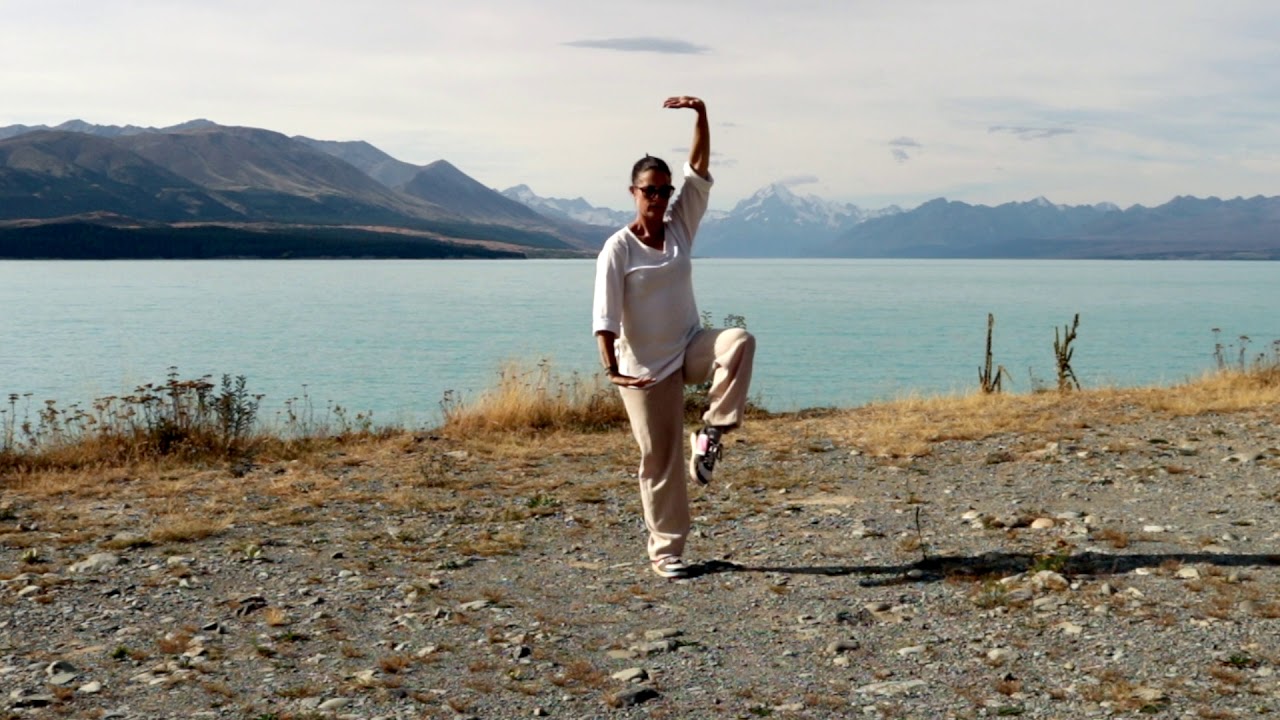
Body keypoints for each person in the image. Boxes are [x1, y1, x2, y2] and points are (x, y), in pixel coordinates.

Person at [591, 96, 756, 579]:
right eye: (650, 191)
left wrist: (703, 116)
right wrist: (612, 369)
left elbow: (699, 171)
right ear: (633, 192)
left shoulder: (679, 226)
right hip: (643, 370)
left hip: (688, 347)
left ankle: (712, 433)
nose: (659, 199)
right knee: (658, 460)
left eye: (664, 190)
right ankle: (666, 553)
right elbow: (603, 316)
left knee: (739, 341)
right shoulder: (617, 249)